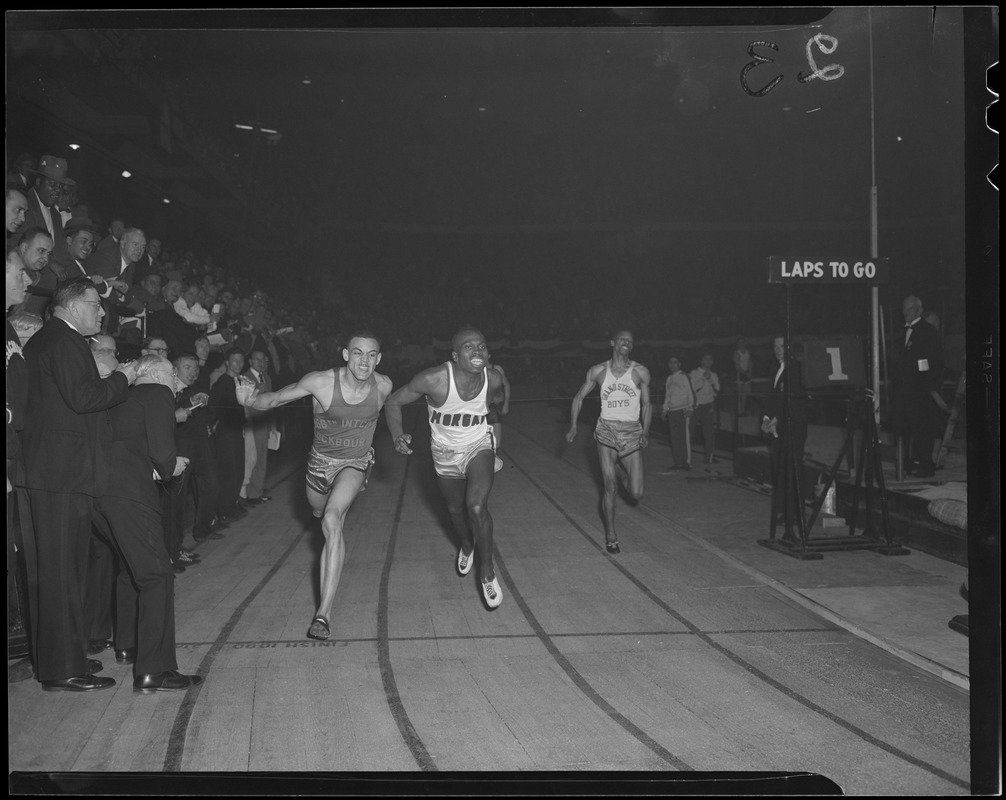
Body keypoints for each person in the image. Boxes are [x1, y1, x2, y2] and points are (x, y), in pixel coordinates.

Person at [20, 276, 137, 692]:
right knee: (59, 572)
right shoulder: (64, 341)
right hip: (59, 474)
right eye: (95, 304)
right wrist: (124, 377)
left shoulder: (52, 340)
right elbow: (84, 399)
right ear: (71, 306)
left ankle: (65, 658)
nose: (101, 311)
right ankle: (61, 669)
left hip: (58, 473)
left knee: (61, 570)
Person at [239, 332, 392, 638]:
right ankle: (327, 516)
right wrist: (248, 400)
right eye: (358, 353)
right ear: (346, 355)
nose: (365, 361)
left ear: (379, 358)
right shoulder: (320, 382)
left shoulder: (384, 386)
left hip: (355, 465)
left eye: (371, 355)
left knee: (334, 520)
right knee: (321, 514)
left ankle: (323, 615)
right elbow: (275, 399)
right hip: (319, 467)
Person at [89, 353, 201, 693]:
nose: (176, 381)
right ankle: (155, 670)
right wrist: (170, 467)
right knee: (157, 574)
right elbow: (164, 454)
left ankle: (126, 645)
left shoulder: (122, 397)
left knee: (128, 566)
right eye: (171, 373)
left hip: (98, 496)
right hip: (130, 496)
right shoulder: (157, 394)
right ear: (153, 373)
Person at [386, 327, 506, 608]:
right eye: (468, 347)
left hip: (478, 446)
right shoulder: (434, 379)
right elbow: (393, 401)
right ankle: (466, 545)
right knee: (454, 510)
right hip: (444, 453)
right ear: (454, 355)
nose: (477, 351)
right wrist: (396, 435)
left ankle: (487, 573)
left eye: (482, 346)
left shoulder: (494, 379)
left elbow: (492, 408)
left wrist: (493, 439)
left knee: (476, 507)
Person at [565, 330, 652, 554]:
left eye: (630, 341)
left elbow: (648, 404)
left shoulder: (640, 371)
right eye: (622, 339)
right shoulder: (599, 371)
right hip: (606, 431)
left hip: (632, 432)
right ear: (613, 342)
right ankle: (611, 534)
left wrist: (646, 432)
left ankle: (622, 473)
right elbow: (579, 397)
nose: (626, 342)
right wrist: (574, 425)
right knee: (609, 487)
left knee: (636, 493)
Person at [761, 335, 810, 536]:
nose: (778, 349)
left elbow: (794, 404)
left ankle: (796, 514)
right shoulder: (777, 369)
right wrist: (767, 418)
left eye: (782, 345)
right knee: (782, 470)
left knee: (793, 469)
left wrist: (776, 420)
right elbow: (774, 399)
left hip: (793, 428)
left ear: (789, 347)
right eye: (775, 346)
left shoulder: (796, 369)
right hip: (778, 427)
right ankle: (788, 511)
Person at [892, 295, 944, 478]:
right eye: (904, 309)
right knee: (903, 428)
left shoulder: (928, 331)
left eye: (911, 309)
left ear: (920, 310)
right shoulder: (902, 332)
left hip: (920, 390)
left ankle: (926, 466)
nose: (907, 313)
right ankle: (906, 463)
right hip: (904, 390)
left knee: (922, 429)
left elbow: (934, 361)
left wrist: (926, 385)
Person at [209, 348, 248, 525]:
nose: (238, 364)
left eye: (240, 360)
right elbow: (213, 409)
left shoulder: (240, 381)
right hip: (226, 433)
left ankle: (231, 506)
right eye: (234, 360)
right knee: (229, 472)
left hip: (237, 431)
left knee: (238, 470)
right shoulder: (222, 383)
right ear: (227, 362)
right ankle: (223, 511)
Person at [240, 349, 276, 505]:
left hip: (265, 423)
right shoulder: (244, 378)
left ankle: (257, 491)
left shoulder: (266, 377)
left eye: (263, 360)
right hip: (253, 424)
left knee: (262, 460)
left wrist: (273, 425)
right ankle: (248, 494)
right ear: (250, 361)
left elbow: (272, 402)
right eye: (257, 359)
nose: (260, 363)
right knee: (252, 460)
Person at [661, 356, 695, 471]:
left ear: (679, 364)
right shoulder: (669, 378)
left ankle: (687, 462)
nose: (672, 365)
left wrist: (691, 408)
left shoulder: (684, 376)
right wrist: (665, 409)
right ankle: (678, 463)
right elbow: (667, 395)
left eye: (675, 362)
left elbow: (691, 393)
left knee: (684, 437)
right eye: (670, 363)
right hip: (672, 412)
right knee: (674, 438)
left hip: (682, 410)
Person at [689, 353, 720, 465]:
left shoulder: (714, 375)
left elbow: (716, 392)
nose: (708, 361)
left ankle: (709, 458)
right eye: (705, 359)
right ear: (701, 361)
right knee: (690, 432)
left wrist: (711, 380)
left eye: (710, 359)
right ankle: (686, 458)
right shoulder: (694, 373)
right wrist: (703, 379)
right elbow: (693, 389)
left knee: (709, 433)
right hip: (696, 406)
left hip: (708, 406)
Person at [486, 357, 511, 472]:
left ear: (489, 355)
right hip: (479, 409)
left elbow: (506, 385)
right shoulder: (474, 369)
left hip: (494, 407)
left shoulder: (497, 369)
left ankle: (492, 463)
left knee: (497, 440)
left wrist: (506, 404)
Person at [732, 337, 754, 416]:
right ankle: (739, 411)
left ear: (745, 343)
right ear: (738, 344)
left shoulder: (748, 352)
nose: (741, 344)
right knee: (740, 394)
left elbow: (750, 362)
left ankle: (744, 410)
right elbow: (737, 366)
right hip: (740, 375)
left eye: (743, 342)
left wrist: (750, 373)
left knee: (745, 394)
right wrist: (745, 373)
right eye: (740, 342)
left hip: (747, 375)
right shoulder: (736, 353)